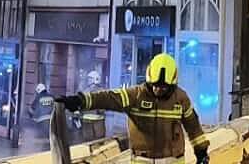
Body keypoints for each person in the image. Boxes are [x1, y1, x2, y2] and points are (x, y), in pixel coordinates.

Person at [58, 54, 208, 164]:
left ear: (173, 84)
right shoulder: (135, 96)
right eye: (154, 84)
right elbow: (108, 98)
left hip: (173, 160)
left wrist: (201, 152)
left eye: (163, 87)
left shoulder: (181, 99)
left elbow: (193, 127)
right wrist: (79, 101)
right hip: (142, 160)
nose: (158, 89)